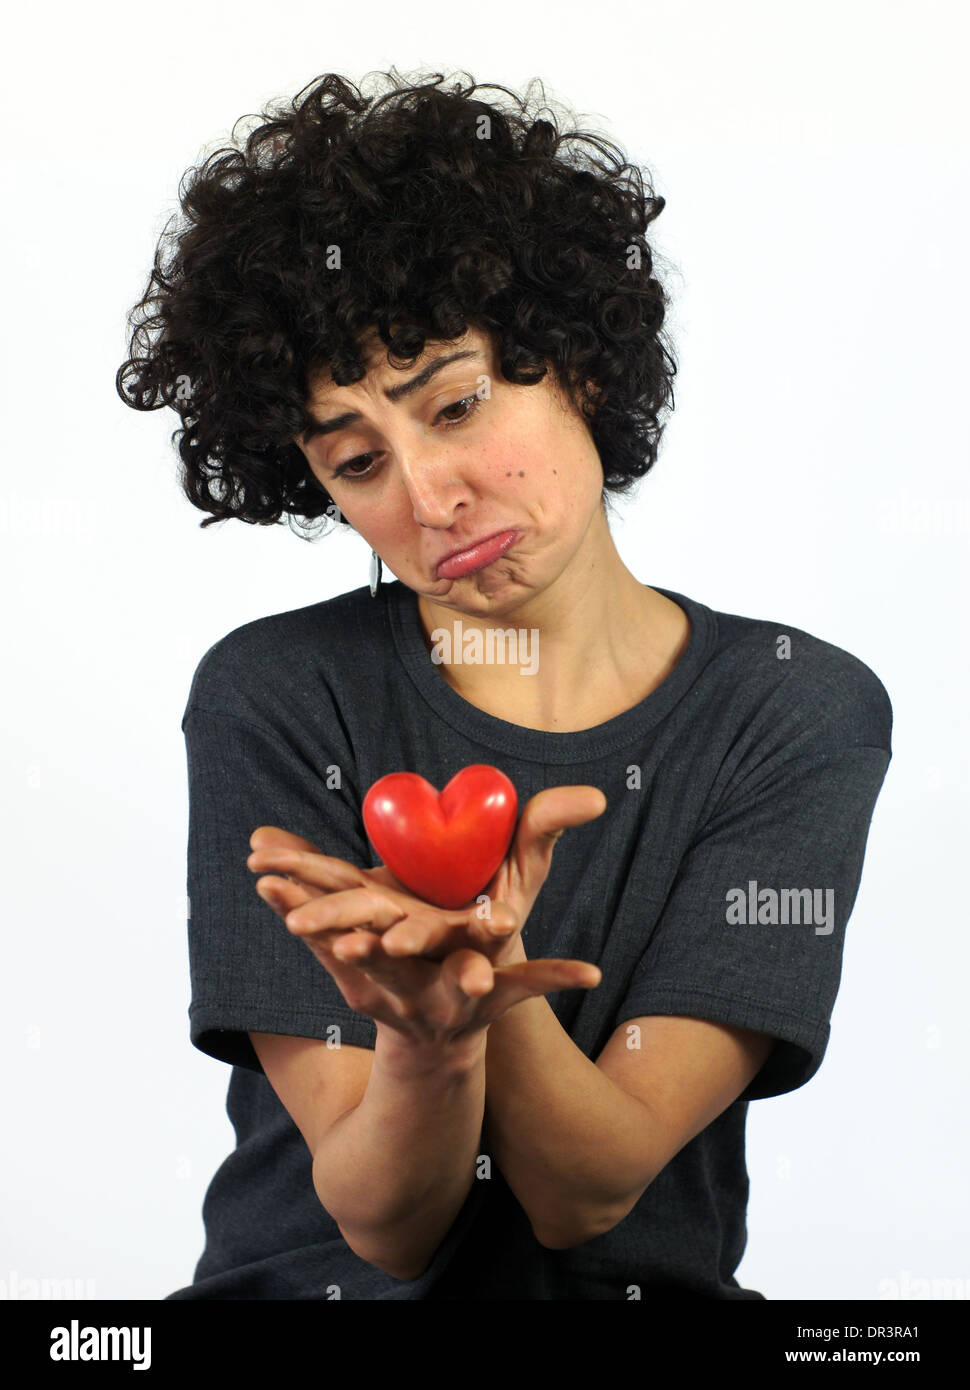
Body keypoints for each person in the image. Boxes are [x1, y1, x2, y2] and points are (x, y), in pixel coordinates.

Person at [115, 68, 893, 1300]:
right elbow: (384, 1228)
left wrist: (488, 968)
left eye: (459, 403)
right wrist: (429, 1040)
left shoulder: (793, 708)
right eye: (360, 460)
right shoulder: (276, 694)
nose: (428, 500)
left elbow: (590, 1187)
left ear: (575, 360)